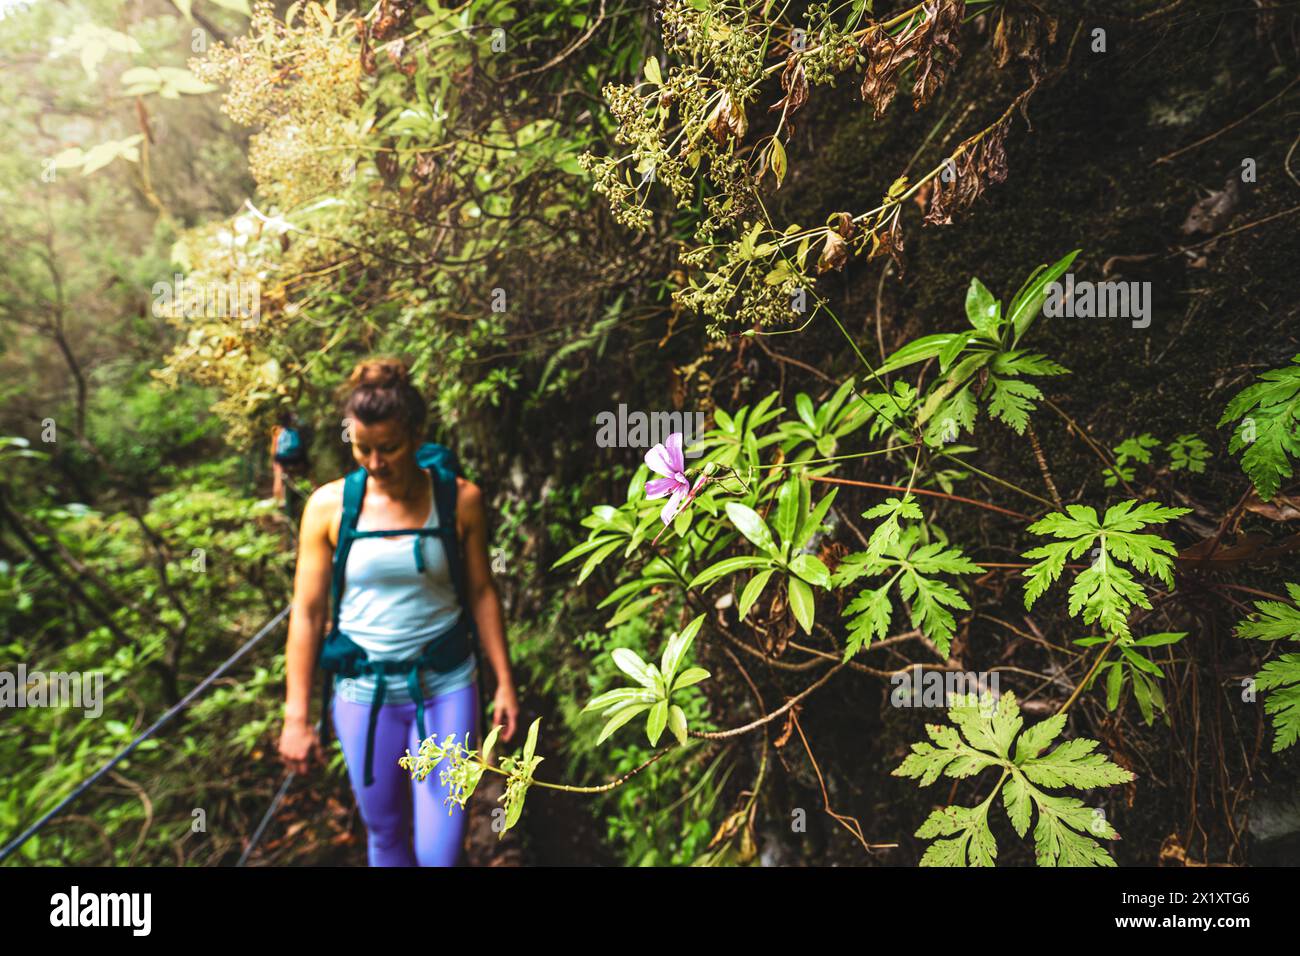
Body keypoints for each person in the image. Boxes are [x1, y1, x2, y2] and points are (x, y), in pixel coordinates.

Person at [277, 358, 519, 866]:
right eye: (361, 448)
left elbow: (480, 591)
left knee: (442, 849)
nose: (374, 461)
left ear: (415, 435)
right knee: (385, 835)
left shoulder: (460, 501)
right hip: (363, 694)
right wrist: (296, 716)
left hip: (448, 683)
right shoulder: (327, 507)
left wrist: (503, 681)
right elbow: (306, 611)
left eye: (389, 448)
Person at [271, 410, 310, 526]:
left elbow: (275, 448)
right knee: (288, 477)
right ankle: (288, 500)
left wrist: (275, 460)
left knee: (279, 477)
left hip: (282, 458)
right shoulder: (293, 432)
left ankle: (281, 502)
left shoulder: (277, 431)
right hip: (294, 458)